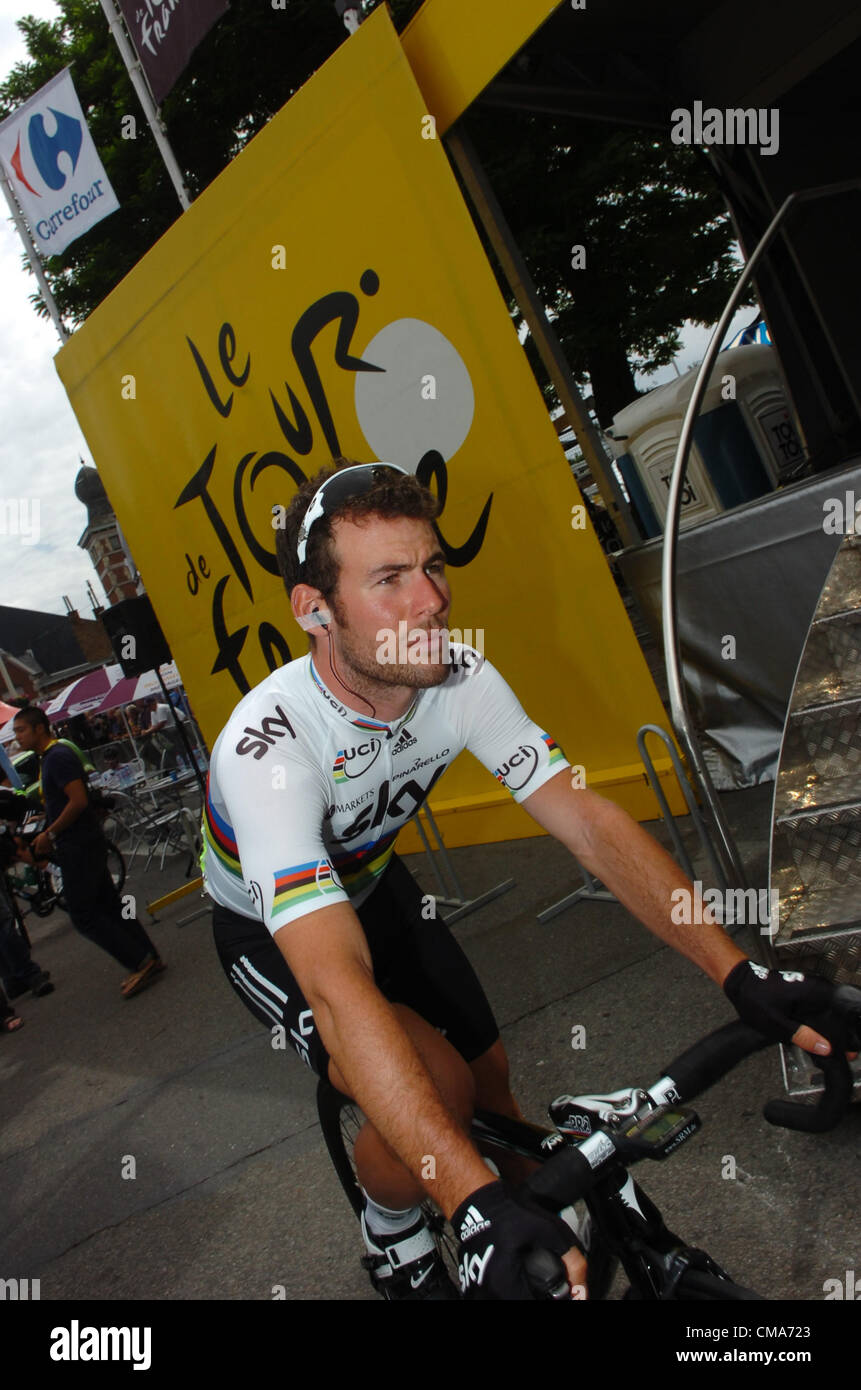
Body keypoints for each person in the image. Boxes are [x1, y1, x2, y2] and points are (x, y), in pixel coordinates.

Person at [203, 460, 859, 1301]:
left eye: (433, 566)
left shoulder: (457, 677)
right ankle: (391, 1228)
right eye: (389, 579)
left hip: (375, 887)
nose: (431, 600)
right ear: (313, 609)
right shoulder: (267, 748)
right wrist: (468, 1203)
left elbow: (587, 823)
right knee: (439, 1092)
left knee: (492, 1086)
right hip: (267, 931)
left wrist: (736, 972)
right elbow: (333, 979)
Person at [11, 707, 165, 999]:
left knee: (83, 914)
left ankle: (139, 961)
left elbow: (78, 800)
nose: (17, 737)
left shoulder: (57, 757)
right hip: (80, 840)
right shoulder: (49, 758)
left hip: (78, 843)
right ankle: (148, 956)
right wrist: (45, 819)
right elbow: (63, 800)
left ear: (39, 728)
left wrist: (50, 833)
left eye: (21, 730)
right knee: (108, 904)